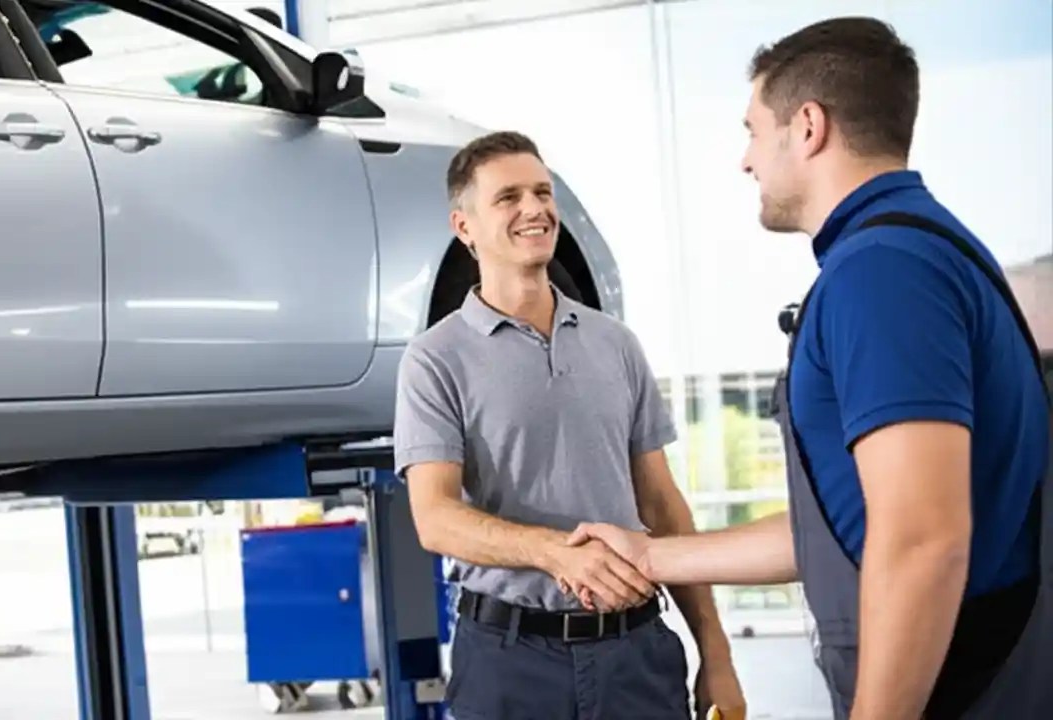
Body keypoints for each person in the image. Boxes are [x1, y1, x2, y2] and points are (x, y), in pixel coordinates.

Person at [567, 16, 1052, 720]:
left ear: (808, 126)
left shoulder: (881, 275)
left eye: (753, 131)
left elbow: (921, 539)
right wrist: (651, 557)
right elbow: (843, 525)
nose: (746, 160)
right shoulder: (926, 251)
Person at [393, 130, 747, 720]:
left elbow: (662, 505)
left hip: (636, 653)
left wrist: (715, 647)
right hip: (509, 660)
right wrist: (557, 553)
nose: (535, 208)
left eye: (542, 192)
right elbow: (436, 520)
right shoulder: (435, 359)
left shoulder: (616, 344)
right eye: (509, 197)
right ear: (465, 228)